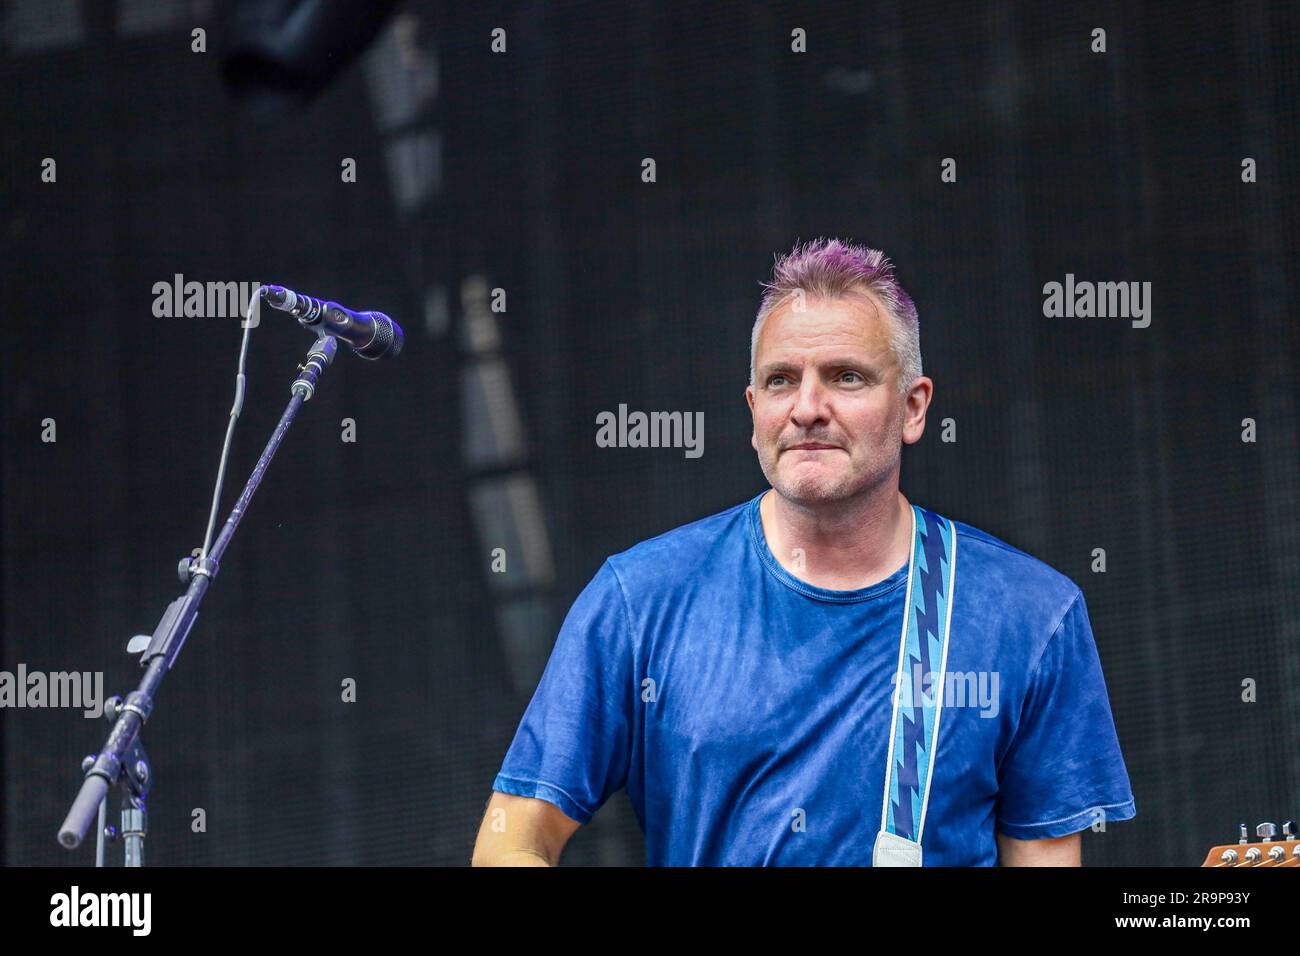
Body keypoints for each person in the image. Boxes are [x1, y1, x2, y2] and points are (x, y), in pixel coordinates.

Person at [472, 237, 1136, 866]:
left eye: (845, 376)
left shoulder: (1029, 615)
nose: (808, 407)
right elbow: (512, 834)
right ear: (754, 408)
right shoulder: (639, 599)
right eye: (783, 380)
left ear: (913, 407)